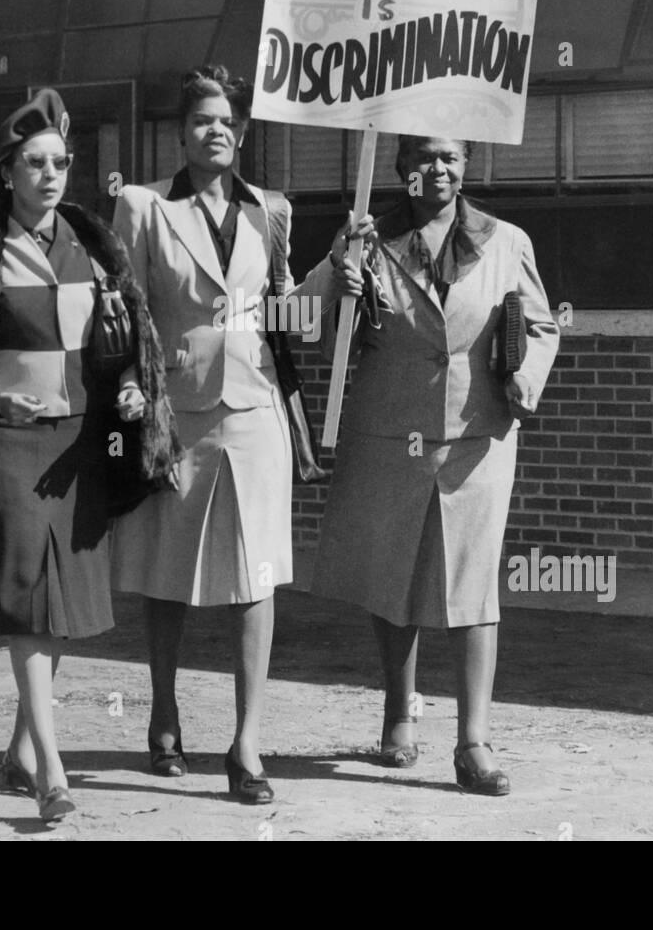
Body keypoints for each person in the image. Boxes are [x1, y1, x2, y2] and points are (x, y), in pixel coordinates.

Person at [0, 88, 180, 825]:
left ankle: (22, 748)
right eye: (35, 162)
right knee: (25, 586)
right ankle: (53, 772)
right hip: (9, 443)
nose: (51, 174)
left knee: (63, 605)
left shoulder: (94, 246)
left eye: (61, 162)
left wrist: (128, 392)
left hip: (81, 441)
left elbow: (122, 347)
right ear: (7, 171)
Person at [110, 64, 366, 804]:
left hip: (256, 417)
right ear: (181, 132)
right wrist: (129, 382)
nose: (215, 131)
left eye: (228, 121)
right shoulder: (144, 208)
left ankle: (246, 745)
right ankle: (163, 715)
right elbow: (121, 310)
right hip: (176, 414)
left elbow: (289, 319)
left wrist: (334, 270)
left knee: (254, 581)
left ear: (244, 132)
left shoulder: (270, 212)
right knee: (169, 575)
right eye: (201, 121)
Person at [311, 135, 559, 795]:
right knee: (397, 574)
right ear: (399, 168)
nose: (437, 168)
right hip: (389, 432)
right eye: (423, 156)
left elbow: (540, 328)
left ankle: (473, 741)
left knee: (473, 585)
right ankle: (399, 716)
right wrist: (340, 276)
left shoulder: (508, 240)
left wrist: (527, 380)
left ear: (466, 164)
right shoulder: (365, 240)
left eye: (449, 156)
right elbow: (318, 331)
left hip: (477, 436)